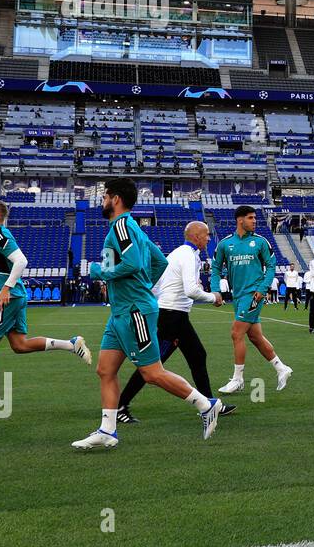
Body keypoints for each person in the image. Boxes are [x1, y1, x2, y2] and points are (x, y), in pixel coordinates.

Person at [71, 178, 222, 450]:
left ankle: (206, 404)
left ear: (115, 198)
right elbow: (159, 262)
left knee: (152, 372)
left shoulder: (122, 226)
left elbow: (131, 263)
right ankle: (107, 430)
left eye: (105, 196)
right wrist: (137, 283)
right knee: (105, 369)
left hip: (134, 311)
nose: (102, 201)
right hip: (121, 312)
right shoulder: (132, 229)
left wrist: (101, 272)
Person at [0, 199, 93, 414]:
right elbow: (7, 265)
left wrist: (5, 288)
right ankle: (71, 345)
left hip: (7, 298)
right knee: (19, 345)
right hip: (15, 295)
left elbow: (21, 261)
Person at [117, 220, 234, 424]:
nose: (208, 238)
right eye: (206, 235)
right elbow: (191, 290)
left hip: (174, 315)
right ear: (196, 236)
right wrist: (213, 297)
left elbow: (158, 284)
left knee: (197, 355)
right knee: (152, 366)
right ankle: (120, 406)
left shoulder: (178, 253)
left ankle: (210, 404)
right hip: (171, 318)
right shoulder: (188, 255)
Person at [214, 206, 293, 395]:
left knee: (236, 333)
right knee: (255, 337)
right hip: (238, 296)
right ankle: (282, 369)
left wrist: (262, 288)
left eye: (255, 218)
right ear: (240, 220)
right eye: (250, 218)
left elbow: (272, 266)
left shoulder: (260, 242)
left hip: (253, 294)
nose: (254, 221)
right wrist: (216, 291)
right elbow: (216, 268)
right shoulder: (225, 244)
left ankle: (238, 379)